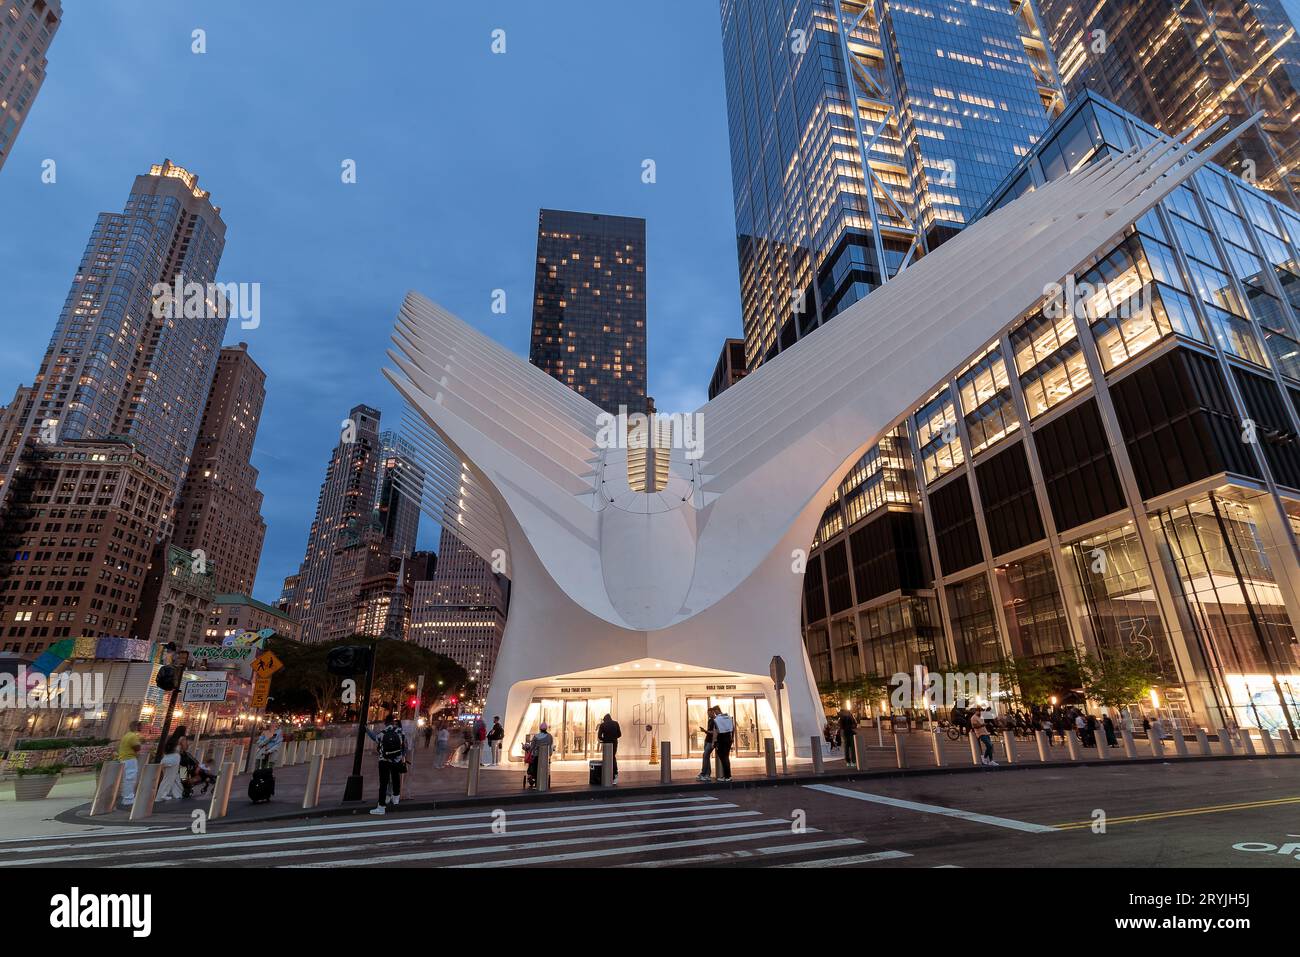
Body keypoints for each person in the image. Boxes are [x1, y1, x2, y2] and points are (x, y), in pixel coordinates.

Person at [367, 713, 407, 815]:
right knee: (395, 778)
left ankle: (381, 807)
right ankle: (396, 798)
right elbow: (404, 745)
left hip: (384, 760)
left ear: (385, 722)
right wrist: (402, 756)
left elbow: (375, 738)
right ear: (393, 722)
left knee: (383, 783)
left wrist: (367, 730)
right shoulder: (400, 731)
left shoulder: (383, 732)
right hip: (396, 760)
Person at [117, 721, 144, 808]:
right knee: (130, 779)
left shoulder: (127, 735)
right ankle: (128, 799)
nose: (141, 728)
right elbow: (137, 747)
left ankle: (127, 797)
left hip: (124, 759)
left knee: (127, 779)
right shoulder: (133, 736)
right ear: (136, 726)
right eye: (140, 726)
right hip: (129, 759)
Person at [156, 725, 188, 801]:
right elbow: (185, 748)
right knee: (169, 778)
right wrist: (186, 743)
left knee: (173, 777)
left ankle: (178, 794)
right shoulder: (182, 738)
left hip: (165, 759)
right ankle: (161, 796)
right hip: (174, 758)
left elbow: (165, 749)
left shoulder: (170, 738)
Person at [525, 722, 553, 789]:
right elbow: (550, 745)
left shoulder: (536, 736)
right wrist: (550, 753)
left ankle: (532, 777)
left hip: (536, 755)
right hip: (545, 756)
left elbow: (532, 746)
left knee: (534, 766)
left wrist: (529, 750)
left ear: (540, 729)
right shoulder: (549, 736)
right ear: (546, 728)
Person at [596, 712, 622, 783]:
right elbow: (619, 734)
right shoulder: (616, 723)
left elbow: (599, 736)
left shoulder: (602, 725)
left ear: (604, 719)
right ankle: (615, 774)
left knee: (606, 758)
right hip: (614, 743)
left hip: (606, 744)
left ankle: (607, 774)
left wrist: (605, 739)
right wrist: (613, 738)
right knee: (613, 757)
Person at [697, 706, 719, 781]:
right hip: (707, 740)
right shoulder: (709, 721)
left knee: (705, 755)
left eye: (710, 713)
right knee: (706, 756)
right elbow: (709, 731)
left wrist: (705, 731)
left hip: (711, 741)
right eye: (708, 713)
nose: (708, 715)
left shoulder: (716, 720)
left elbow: (714, 732)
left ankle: (703, 773)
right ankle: (707, 774)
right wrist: (706, 731)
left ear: (713, 712)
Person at [713, 708, 735, 782]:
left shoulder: (717, 719)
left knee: (723, 757)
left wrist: (715, 741)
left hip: (722, 738)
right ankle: (727, 776)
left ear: (717, 710)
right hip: (728, 737)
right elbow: (733, 728)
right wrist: (732, 737)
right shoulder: (728, 717)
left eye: (715, 712)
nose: (715, 714)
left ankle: (727, 776)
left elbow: (716, 731)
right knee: (726, 757)